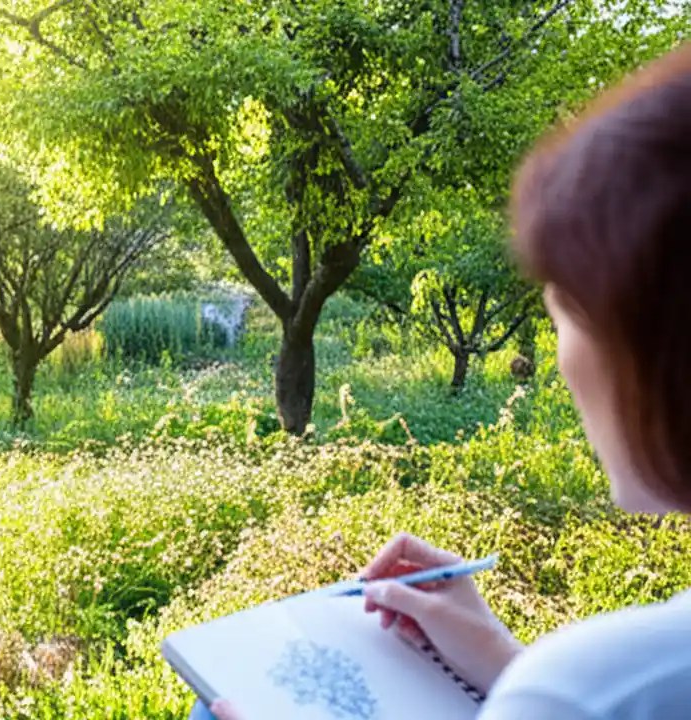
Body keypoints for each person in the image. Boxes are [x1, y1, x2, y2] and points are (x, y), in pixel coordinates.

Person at [194, 43, 691, 720]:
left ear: (653, 338)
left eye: (566, 308)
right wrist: (500, 658)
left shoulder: (592, 687)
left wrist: (546, 689)